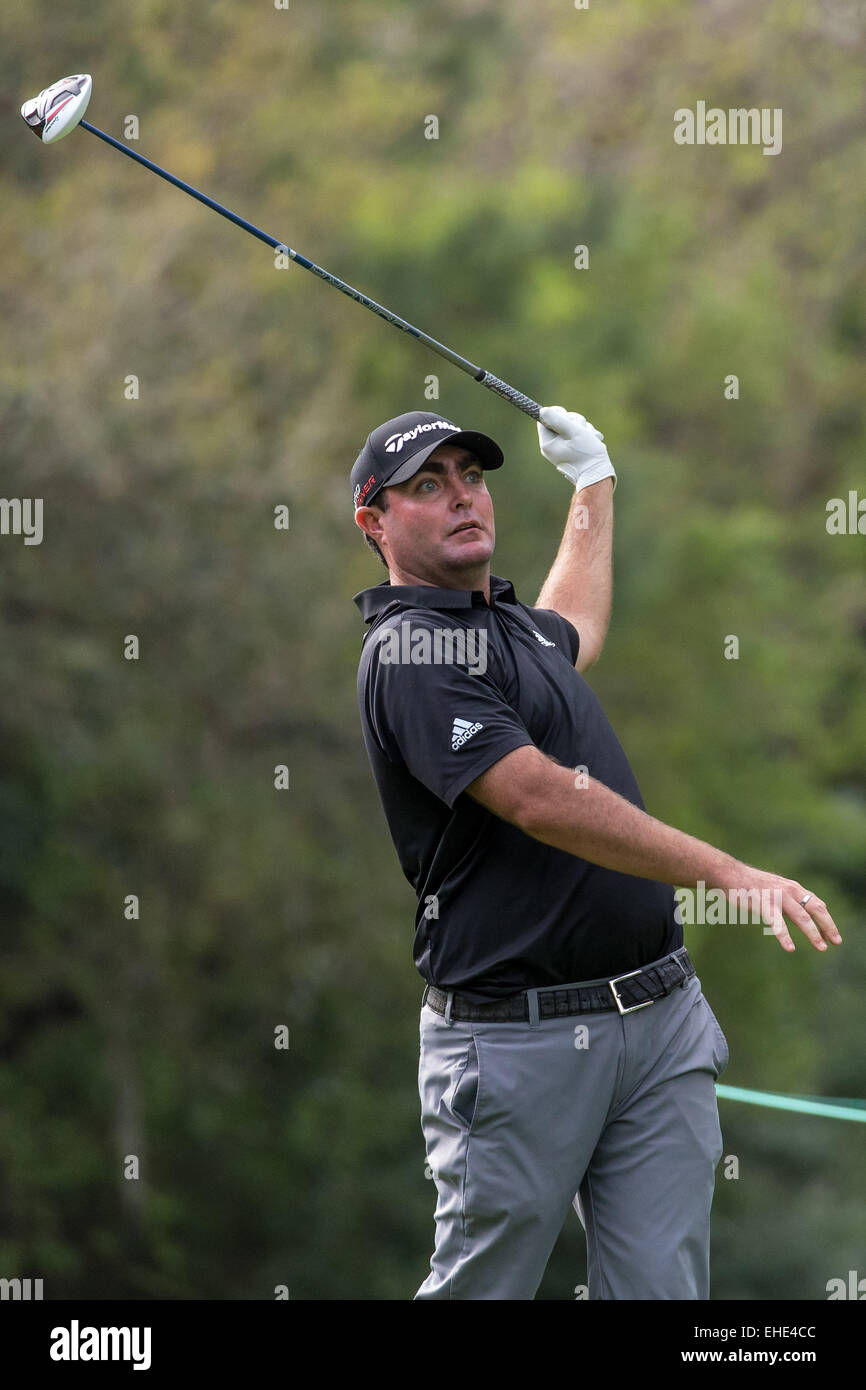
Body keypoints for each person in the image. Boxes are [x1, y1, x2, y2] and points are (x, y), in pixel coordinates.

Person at [350, 406, 841, 1301]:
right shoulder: (410, 652)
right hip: (515, 1041)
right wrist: (727, 873)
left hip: (660, 1021)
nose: (463, 499)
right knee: (481, 1289)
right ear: (374, 522)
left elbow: (571, 622)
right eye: (427, 485)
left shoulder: (507, 627)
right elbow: (538, 798)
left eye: (472, 477)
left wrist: (594, 484)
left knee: (664, 1294)